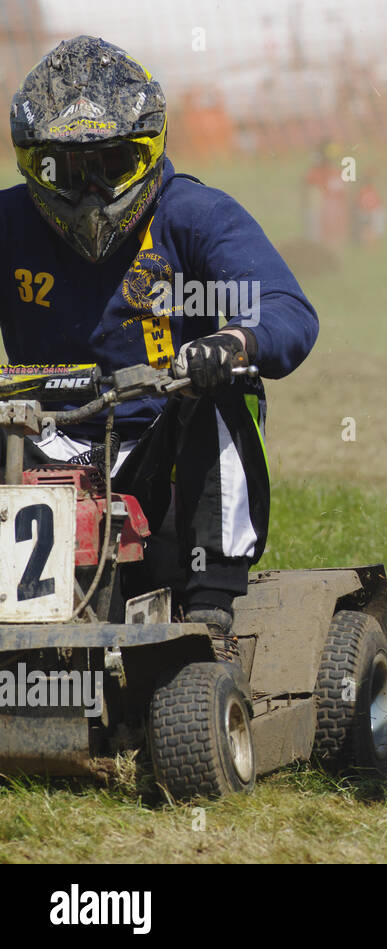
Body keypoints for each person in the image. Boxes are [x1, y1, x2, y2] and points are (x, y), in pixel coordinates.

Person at [0, 36, 319, 661]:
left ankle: (210, 613)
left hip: (159, 463)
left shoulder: (194, 216)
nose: (89, 195)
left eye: (109, 165)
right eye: (66, 170)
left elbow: (288, 312)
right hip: (36, 443)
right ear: (33, 165)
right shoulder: (10, 224)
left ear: (148, 151)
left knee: (226, 386)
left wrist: (230, 342)